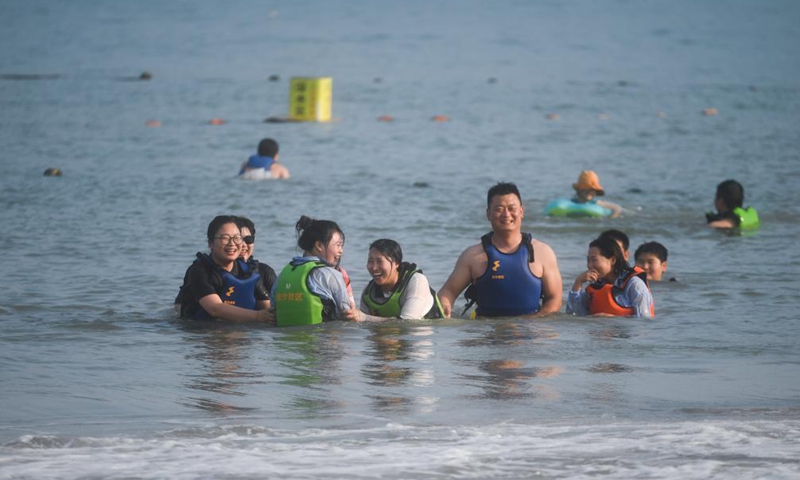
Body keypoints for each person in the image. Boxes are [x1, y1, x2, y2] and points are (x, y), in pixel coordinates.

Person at [438, 182, 563, 318]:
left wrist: (532, 322)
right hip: (485, 334)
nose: (506, 214)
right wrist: (444, 306)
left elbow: (554, 299)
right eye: (499, 209)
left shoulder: (543, 252)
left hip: (529, 333)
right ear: (488, 214)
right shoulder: (472, 256)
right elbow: (448, 291)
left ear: (521, 212)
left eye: (511, 208)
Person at [176, 215, 272, 322]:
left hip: (242, 333)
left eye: (237, 238)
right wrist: (258, 316)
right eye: (225, 238)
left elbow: (267, 307)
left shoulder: (249, 271)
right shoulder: (199, 271)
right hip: (203, 333)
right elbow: (215, 309)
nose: (232, 244)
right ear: (210, 243)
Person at [272, 215, 359, 326]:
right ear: (318, 245)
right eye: (338, 245)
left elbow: (272, 313)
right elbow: (347, 317)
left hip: (285, 342)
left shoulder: (284, 274)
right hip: (320, 340)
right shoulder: (331, 275)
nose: (341, 251)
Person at [353, 239, 444, 321]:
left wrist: (364, 317)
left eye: (380, 261)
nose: (374, 267)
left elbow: (408, 322)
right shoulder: (368, 293)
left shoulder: (416, 281)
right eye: (370, 261)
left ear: (396, 263)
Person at [567, 236, 654, 318]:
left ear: (612, 260)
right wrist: (578, 283)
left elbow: (644, 321)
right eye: (588, 260)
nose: (590, 265)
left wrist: (613, 320)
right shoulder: (595, 287)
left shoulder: (635, 285)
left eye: (594, 260)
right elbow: (574, 316)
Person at [236, 216, 278, 304]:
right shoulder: (216, 273)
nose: (244, 245)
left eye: (248, 239)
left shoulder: (265, 272)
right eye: (238, 239)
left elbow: (279, 307)